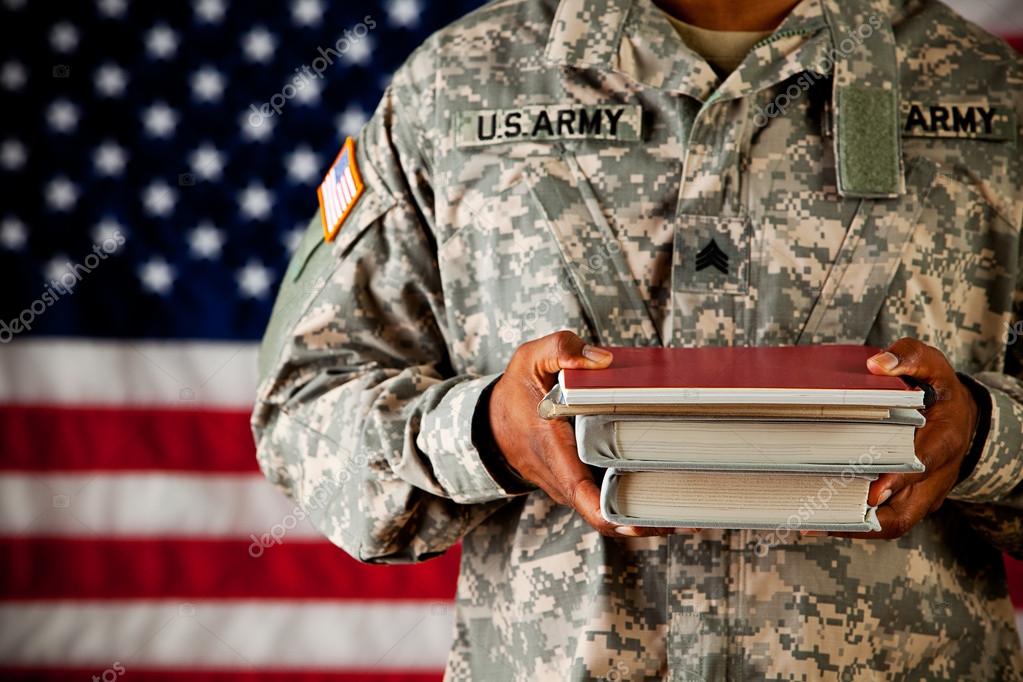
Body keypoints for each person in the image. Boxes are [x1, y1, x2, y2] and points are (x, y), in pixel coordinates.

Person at [251, 0, 1023, 677]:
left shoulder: (987, 88)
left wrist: (984, 437)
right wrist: (486, 434)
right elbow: (304, 409)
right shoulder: (461, 83)